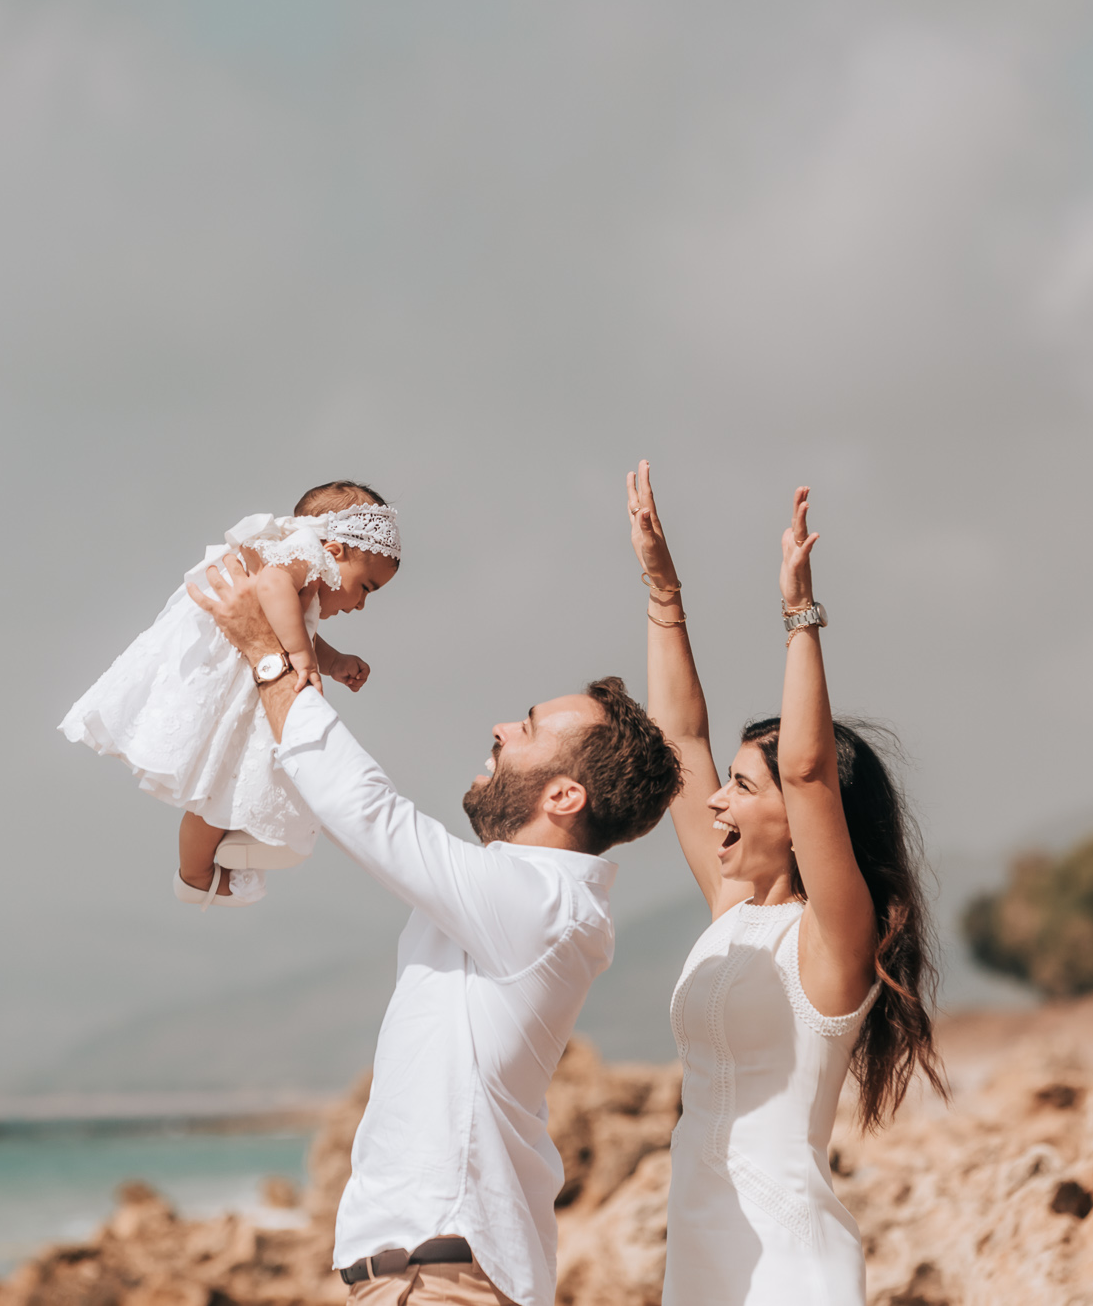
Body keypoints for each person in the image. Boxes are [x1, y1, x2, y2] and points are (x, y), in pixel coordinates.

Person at [187, 549, 683, 1306]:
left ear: (563, 794)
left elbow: (370, 813)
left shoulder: (539, 904)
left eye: (525, 727)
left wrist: (267, 658)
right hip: (426, 1277)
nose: (498, 728)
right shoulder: (529, 902)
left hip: (437, 1279)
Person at [626, 462, 947, 1305]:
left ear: (799, 821)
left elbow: (806, 772)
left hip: (790, 1267)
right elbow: (679, 738)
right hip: (698, 1253)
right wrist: (665, 593)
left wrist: (799, 618)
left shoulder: (835, 939)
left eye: (742, 787)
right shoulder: (733, 911)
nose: (716, 801)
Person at [59, 481, 399, 907]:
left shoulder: (302, 571)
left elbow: (295, 624)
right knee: (214, 792)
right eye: (366, 587)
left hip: (242, 675)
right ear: (335, 552)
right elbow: (273, 588)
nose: (362, 604)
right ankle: (196, 876)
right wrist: (302, 658)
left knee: (225, 785)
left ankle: (212, 862)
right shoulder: (305, 553)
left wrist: (331, 661)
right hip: (226, 671)